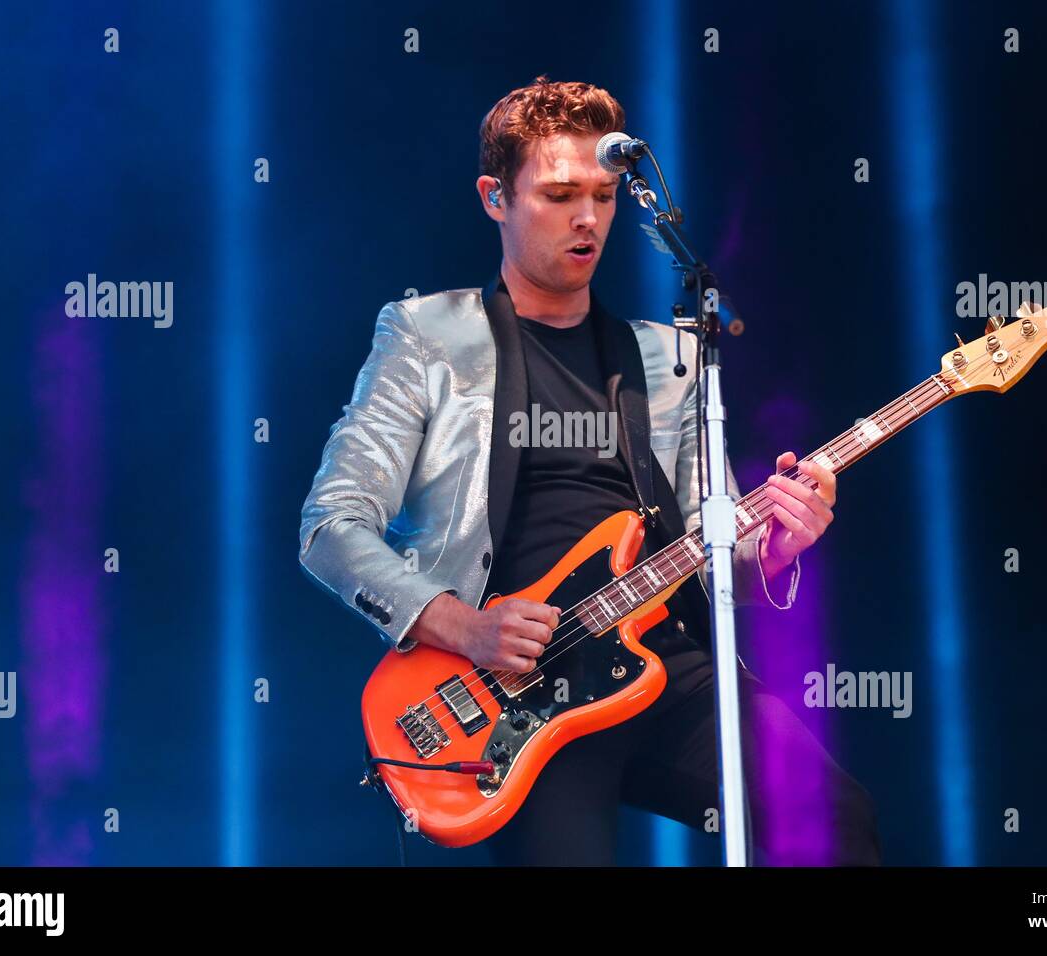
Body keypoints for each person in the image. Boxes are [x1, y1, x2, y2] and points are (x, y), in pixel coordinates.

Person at [299, 76, 880, 865]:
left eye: (604, 197)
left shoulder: (669, 356)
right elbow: (330, 527)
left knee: (833, 822)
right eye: (560, 194)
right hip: (512, 688)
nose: (587, 219)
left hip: (663, 662)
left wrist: (770, 552)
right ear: (494, 198)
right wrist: (466, 626)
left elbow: (720, 553)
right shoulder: (426, 335)